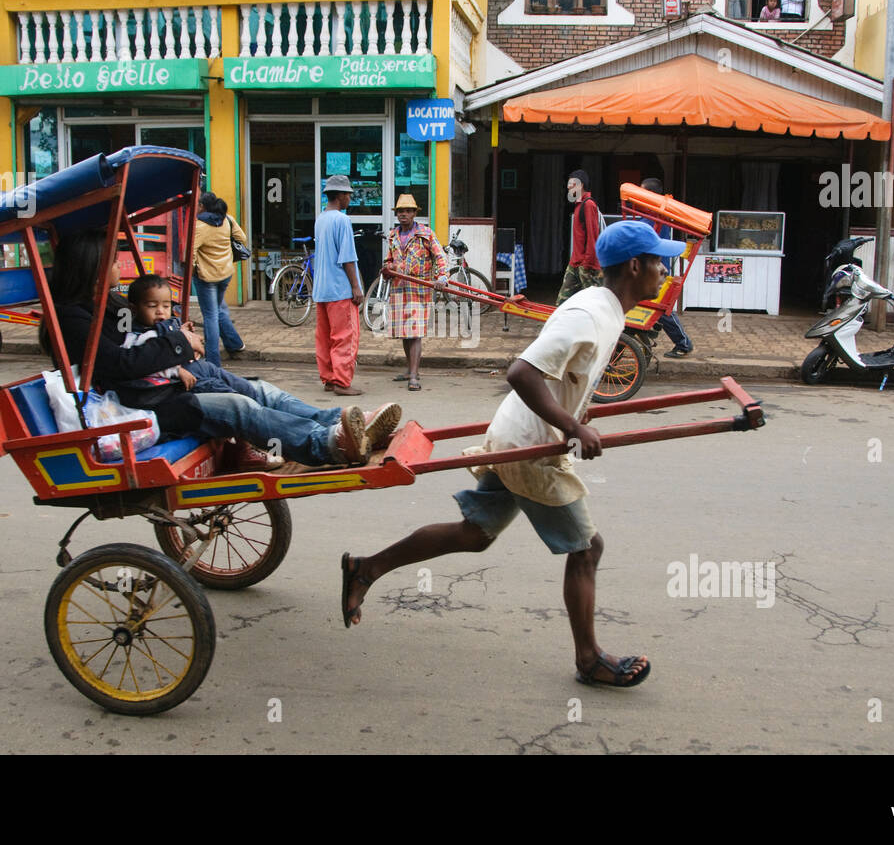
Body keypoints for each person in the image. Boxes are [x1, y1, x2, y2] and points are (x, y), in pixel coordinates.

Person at [340, 219, 686, 688]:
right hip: (528, 447)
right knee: (587, 549)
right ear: (634, 265)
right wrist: (571, 425)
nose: (665, 271)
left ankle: (367, 568)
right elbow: (521, 372)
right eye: (659, 262)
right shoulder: (590, 313)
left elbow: (565, 378)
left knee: (475, 533)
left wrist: (578, 416)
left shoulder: (611, 310)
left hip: (520, 435)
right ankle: (589, 660)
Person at [47, 229, 390, 468]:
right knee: (239, 406)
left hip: (170, 380)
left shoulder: (110, 301)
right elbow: (121, 364)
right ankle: (325, 444)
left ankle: (340, 423)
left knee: (260, 390)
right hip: (146, 403)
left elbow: (146, 331)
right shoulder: (72, 317)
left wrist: (177, 339)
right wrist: (180, 345)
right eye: (111, 260)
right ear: (91, 265)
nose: (117, 266)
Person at [382, 193, 448, 392]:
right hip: (399, 288)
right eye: (401, 211)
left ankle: (414, 375)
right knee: (405, 333)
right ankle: (411, 369)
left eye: (408, 211)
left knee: (415, 333)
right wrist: (387, 268)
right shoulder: (393, 235)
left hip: (419, 290)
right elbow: (389, 259)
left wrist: (442, 277)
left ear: (414, 213)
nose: (404, 214)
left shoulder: (426, 233)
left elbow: (440, 257)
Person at [313, 174, 364, 396]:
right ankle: (343, 382)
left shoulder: (321, 218)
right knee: (345, 337)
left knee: (325, 337)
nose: (350, 199)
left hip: (322, 289)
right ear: (342, 196)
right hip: (340, 289)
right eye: (349, 195)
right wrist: (356, 287)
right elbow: (347, 258)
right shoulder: (342, 220)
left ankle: (329, 379)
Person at [191, 193, 247, 365]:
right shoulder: (227, 220)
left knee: (210, 316)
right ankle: (234, 343)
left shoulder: (200, 226)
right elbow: (242, 239)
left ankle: (213, 361)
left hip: (207, 277)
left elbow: (191, 251)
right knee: (219, 309)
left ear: (202, 206)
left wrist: (193, 269)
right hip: (225, 273)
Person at [641, 178, 693, 358]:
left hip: (656, 270)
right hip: (649, 269)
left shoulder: (656, 216)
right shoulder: (650, 215)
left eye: (644, 192)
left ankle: (683, 343)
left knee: (662, 310)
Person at [556, 169, 603, 306]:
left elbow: (592, 235)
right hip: (575, 263)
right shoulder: (579, 205)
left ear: (580, 185)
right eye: (568, 184)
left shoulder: (588, 205)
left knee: (596, 305)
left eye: (572, 183)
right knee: (562, 304)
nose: (568, 186)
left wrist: (587, 263)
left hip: (586, 265)